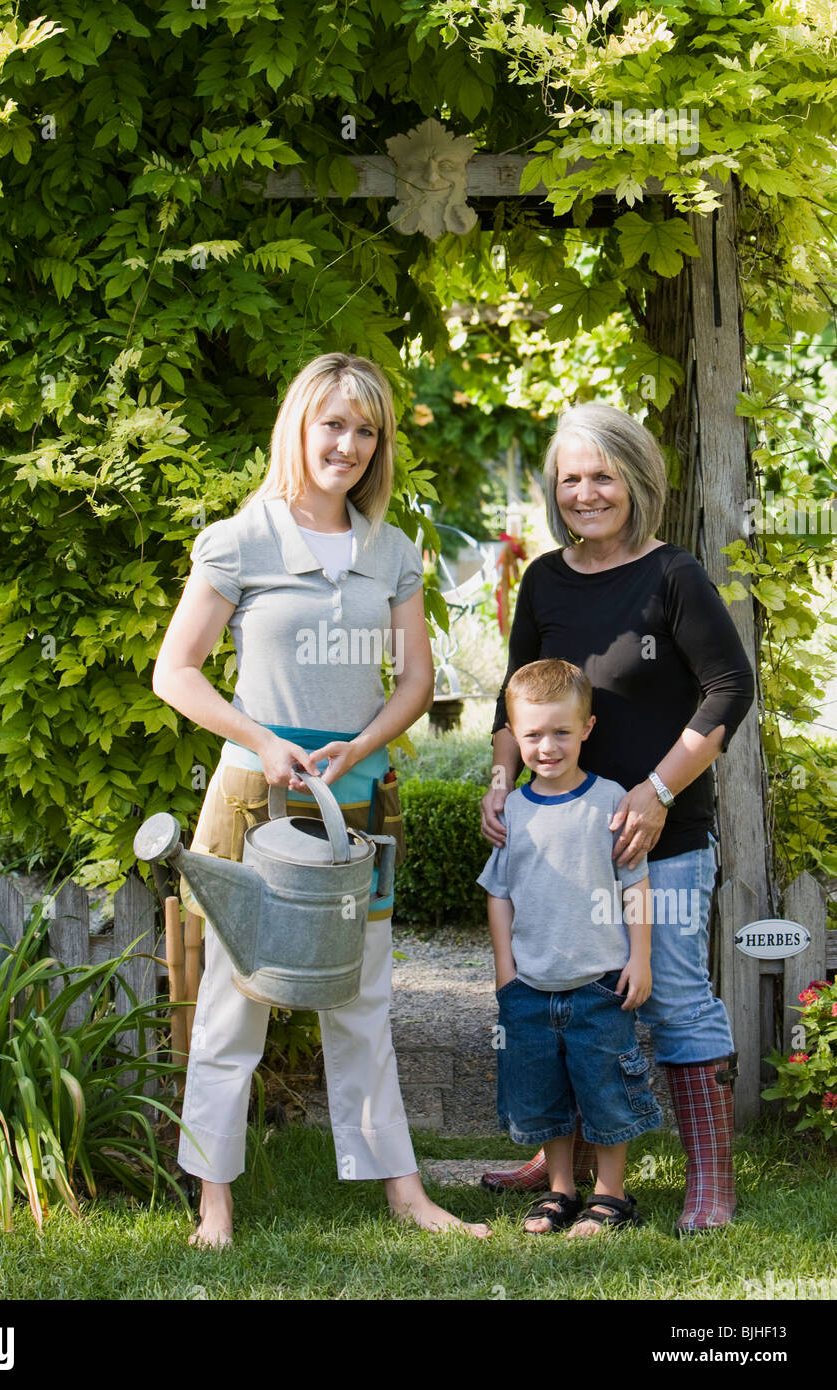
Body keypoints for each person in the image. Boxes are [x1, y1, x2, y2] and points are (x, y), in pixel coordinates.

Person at [152, 351, 491, 1247]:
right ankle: (213, 1203)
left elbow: (415, 681)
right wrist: (262, 740)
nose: (347, 444)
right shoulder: (240, 540)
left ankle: (406, 1194)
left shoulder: (391, 554)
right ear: (299, 429)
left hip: (360, 798)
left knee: (361, 998)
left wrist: (363, 747)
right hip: (256, 799)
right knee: (235, 1003)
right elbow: (175, 672)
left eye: (365, 430)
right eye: (332, 424)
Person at [480, 403, 755, 1235]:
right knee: (557, 999)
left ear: (635, 481)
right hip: (558, 849)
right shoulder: (544, 582)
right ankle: (553, 1159)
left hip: (658, 840)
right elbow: (512, 698)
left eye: (603, 476)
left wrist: (659, 789)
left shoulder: (673, 576)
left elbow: (729, 689)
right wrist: (499, 779)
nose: (587, 493)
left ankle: (711, 1180)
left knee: (669, 994)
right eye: (572, 479)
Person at [480, 658, 663, 1236]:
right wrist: (505, 972)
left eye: (562, 732)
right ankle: (560, 1190)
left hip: (599, 984)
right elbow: (499, 894)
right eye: (532, 735)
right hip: (529, 988)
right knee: (543, 1096)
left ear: (587, 728)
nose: (548, 746)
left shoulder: (609, 802)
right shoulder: (512, 810)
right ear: (514, 736)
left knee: (608, 1088)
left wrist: (639, 959)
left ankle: (612, 1196)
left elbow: (635, 886)